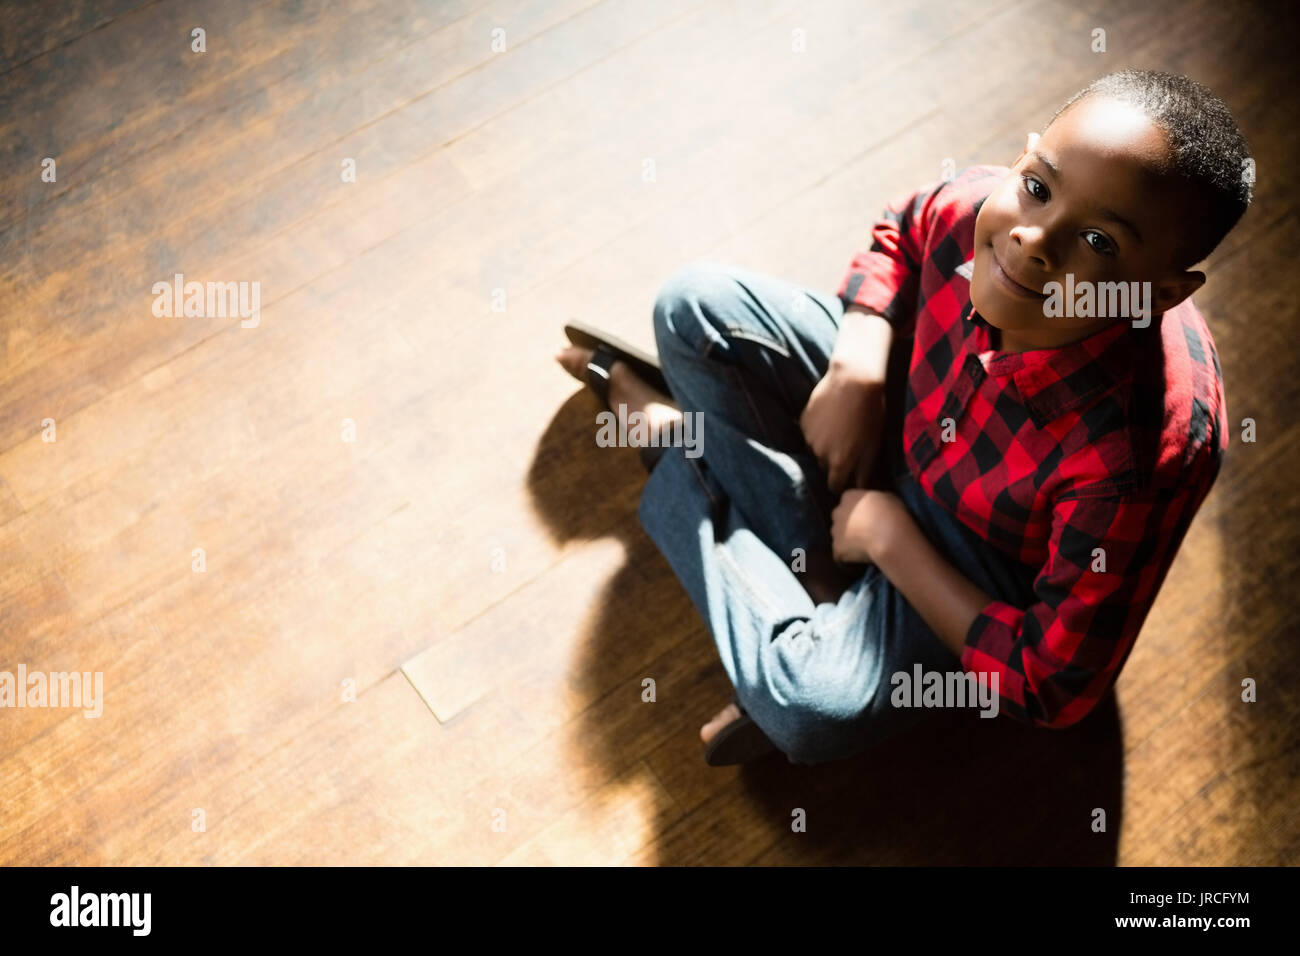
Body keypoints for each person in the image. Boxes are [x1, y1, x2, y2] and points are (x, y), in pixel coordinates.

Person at [554, 70, 1247, 765]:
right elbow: (905, 228)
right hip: (896, 401)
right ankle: (812, 588)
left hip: (976, 557)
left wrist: (893, 542)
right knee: (693, 308)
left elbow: (1051, 685)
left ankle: (679, 449)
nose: (1034, 238)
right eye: (1036, 186)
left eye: (1099, 244)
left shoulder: (1137, 462)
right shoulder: (991, 207)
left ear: (1158, 294)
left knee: (809, 709)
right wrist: (858, 357)